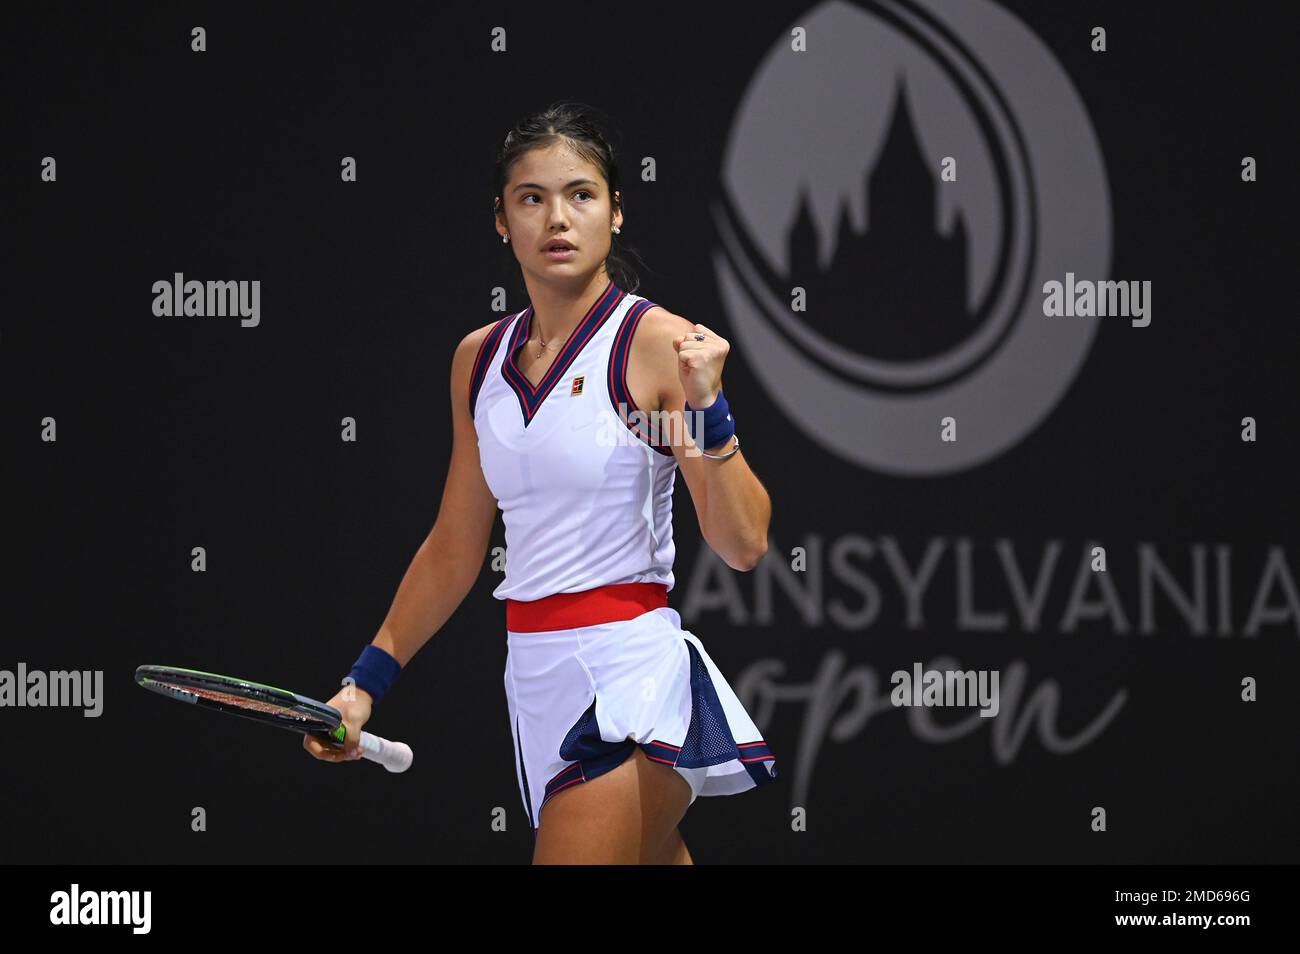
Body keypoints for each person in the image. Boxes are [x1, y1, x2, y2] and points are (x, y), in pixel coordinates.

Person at [304, 102, 777, 864]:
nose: (558, 217)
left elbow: (744, 543)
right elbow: (456, 548)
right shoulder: (477, 361)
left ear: (616, 212)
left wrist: (710, 410)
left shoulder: (656, 345)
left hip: (627, 681)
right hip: (533, 684)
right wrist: (364, 684)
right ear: (502, 220)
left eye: (581, 194)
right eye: (532, 198)